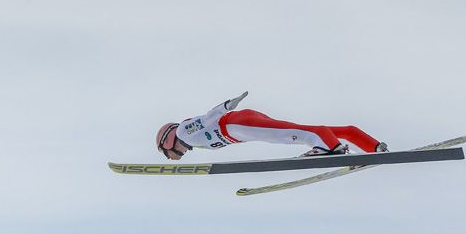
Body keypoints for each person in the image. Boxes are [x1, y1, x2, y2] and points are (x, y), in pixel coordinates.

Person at [156, 92, 388, 160]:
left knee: (291, 135)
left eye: (165, 153)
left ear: (168, 141)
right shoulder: (191, 140)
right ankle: (364, 143)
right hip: (239, 128)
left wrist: (226, 105)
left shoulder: (184, 132)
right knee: (295, 131)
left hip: (235, 124)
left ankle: (329, 148)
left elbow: (207, 119)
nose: (169, 158)